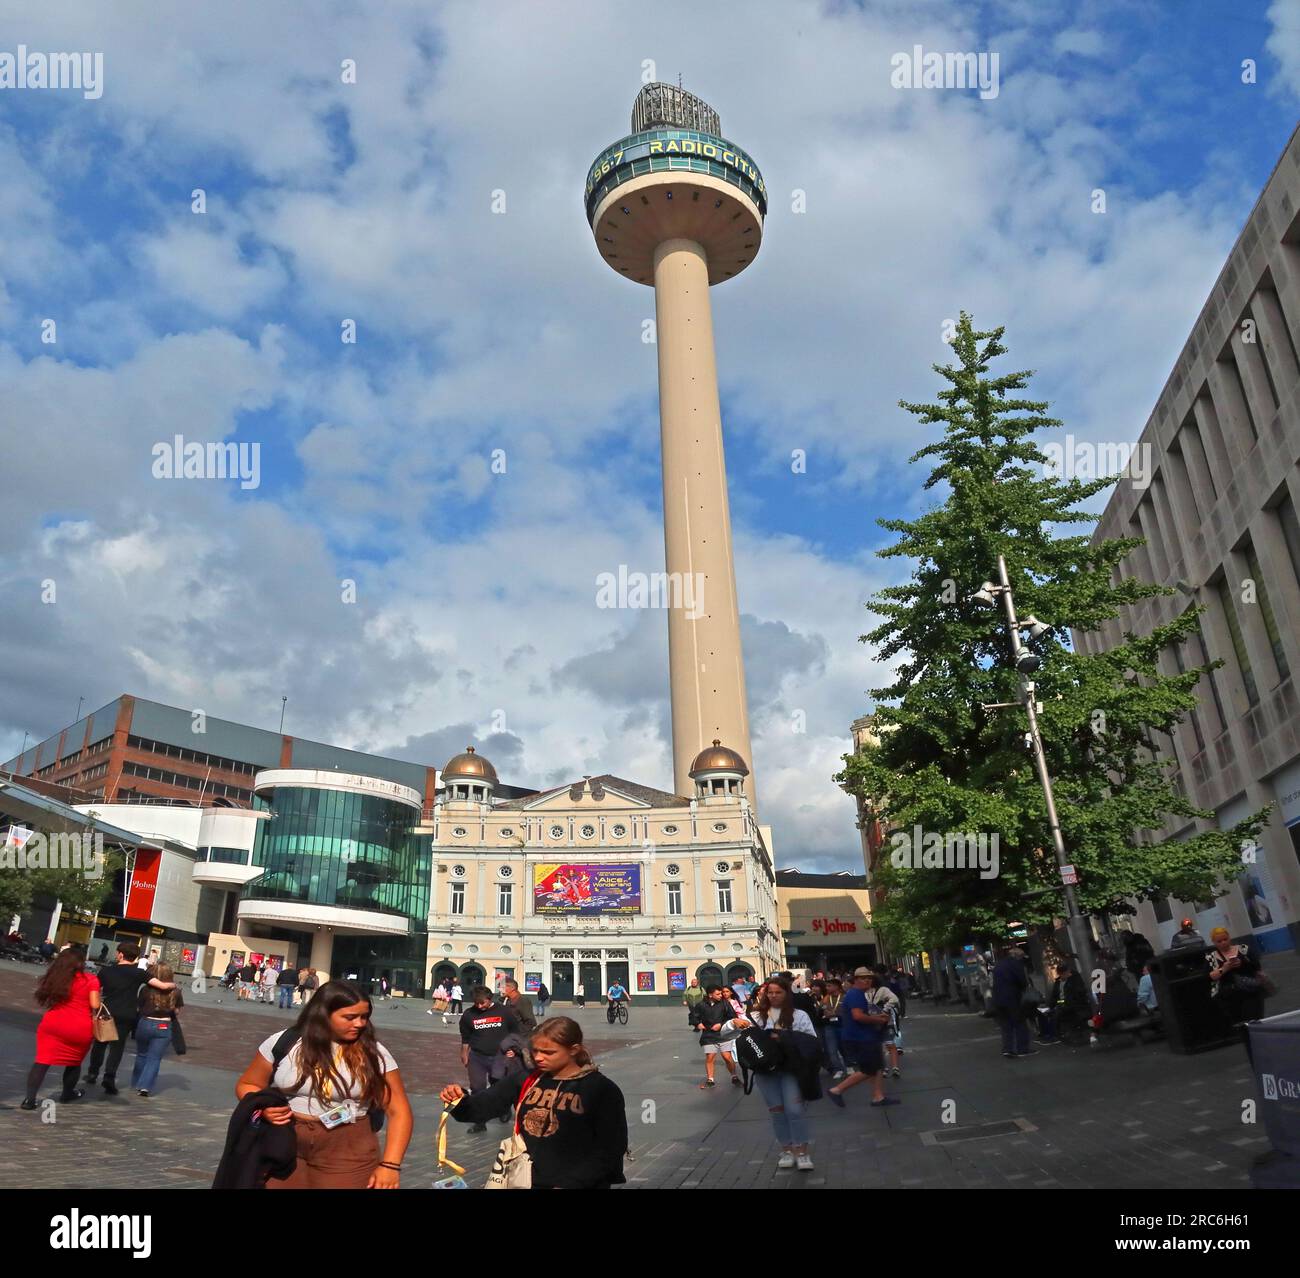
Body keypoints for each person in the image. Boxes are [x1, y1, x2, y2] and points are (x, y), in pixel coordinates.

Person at [236, 979, 413, 1189]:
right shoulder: (284, 1042)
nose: (360, 1024)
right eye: (350, 1017)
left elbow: (398, 1111)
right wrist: (263, 1108)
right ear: (322, 1015)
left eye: (364, 1017)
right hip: (286, 1144)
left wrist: (390, 1165)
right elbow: (247, 1084)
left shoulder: (374, 1053)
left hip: (348, 1148)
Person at [441, 1016, 628, 1190]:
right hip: (527, 1181)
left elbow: (611, 1149)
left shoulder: (600, 1089)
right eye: (535, 1050)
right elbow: (479, 1110)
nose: (538, 1057)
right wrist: (458, 1099)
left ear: (574, 1050)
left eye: (548, 1052)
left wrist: (572, 1183)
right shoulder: (525, 1080)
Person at [733, 977, 818, 1171]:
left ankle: (802, 1151)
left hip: (791, 1069)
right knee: (777, 1111)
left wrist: (783, 1037)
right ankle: (787, 1149)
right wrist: (733, 1024)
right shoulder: (757, 1015)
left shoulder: (799, 1015)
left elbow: (812, 1041)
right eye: (770, 992)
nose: (773, 996)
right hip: (765, 1070)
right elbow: (735, 1034)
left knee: (795, 1110)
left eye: (778, 992)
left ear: (787, 993)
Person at [86, 943, 176, 1094]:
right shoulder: (139, 973)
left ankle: (93, 1072)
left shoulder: (106, 971)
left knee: (99, 1044)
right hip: (126, 1014)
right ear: (136, 957)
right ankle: (109, 1076)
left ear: (120, 954)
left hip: (106, 1011)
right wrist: (173, 985)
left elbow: (95, 989)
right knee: (117, 1047)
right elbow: (161, 986)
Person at [22, 945, 101, 1109]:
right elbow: (95, 1004)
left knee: (42, 1062)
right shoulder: (90, 979)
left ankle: (29, 1100)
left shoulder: (55, 978)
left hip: (53, 1024)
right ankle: (67, 1094)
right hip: (79, 1027)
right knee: (74, 1063)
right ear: (80, 962)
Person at [827, 968, 897, 1108]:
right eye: (863, 978)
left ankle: (878, 1096)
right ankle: (837, 1090)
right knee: (869, 1069)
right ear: (855, 980)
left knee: (877, 1066)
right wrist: (878, 1020)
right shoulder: (856, 995)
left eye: (869, 978)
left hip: (864, 1036)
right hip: (860, 1037)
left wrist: (877, 1018)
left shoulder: (856, 994)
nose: (867, 980)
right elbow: (857, 1016)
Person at [459, 987, 522, 1132]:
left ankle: (504, 1108)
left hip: (499, 1057)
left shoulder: (504, 1012)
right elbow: (465, 1036)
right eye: (476, 1003)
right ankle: (479, 1122)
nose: (479, 1006)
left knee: (499, 1086)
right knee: (477, 1088)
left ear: (490, 999)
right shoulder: (469, 1014)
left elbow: (515, 1032)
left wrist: (514, 1050)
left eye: (482, 1003)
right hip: (477, 1057)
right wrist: (464, 1053)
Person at [131, 963, 182, 1096]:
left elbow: (138, 1007)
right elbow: (176, 1011)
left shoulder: (146, 989)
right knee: (154, 1058)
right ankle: (145, 1087)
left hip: (145, 1023)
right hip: (164, 1025)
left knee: (141, 1054)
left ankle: (136, 1082)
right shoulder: (175, 991)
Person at [1207, 926, 1266, 1029]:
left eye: (1225, 939)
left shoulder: (1243, 949)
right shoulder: (1211, 957)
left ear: (1229, 938)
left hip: (1251, 991)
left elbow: (1257, 966)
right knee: (1240, 1025)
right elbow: (1210, 976)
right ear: (1214, 942)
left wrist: (1242, 962)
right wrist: (1224, 968)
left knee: (1255, 1022)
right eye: (1219, 941)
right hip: (1229, 996)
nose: (1223, 943)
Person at [691, 985, 742, 1088]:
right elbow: (693, 1016)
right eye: (718, 994)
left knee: (727, 1057)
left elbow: (733, 1017)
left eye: (721, 993)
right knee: (710, 1057)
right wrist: (697, 1023)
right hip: (708, 1035)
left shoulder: (725, 1003)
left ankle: (734, 1076)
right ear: (710, 995)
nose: (721, 995)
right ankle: (710, 1079)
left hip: (723, 1034)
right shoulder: (701, 1005)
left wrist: (721, 1024)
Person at [990, 946, 1033, 1059]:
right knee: (1019, 1022)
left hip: (998, 999)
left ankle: (1007, 1049)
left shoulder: (999, 964)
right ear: (1018, 956)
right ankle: (1022, 1049)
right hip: (1012, 998)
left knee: (1006, 1025)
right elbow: (1022, 981)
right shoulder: (1016, 964)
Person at [819, 979, 847, 1079]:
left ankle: (849, 1065)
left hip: (843, 1025)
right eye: (827, 986)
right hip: (829, 1026)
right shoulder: (826, 998)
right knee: (831, 1049)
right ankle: (838, 1069)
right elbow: (821, 1010)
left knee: (844, 1047)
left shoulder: (845, 997)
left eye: (829, 986)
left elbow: (849, 1011)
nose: (827, 988)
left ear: (837, 987)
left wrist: (836, 1014)